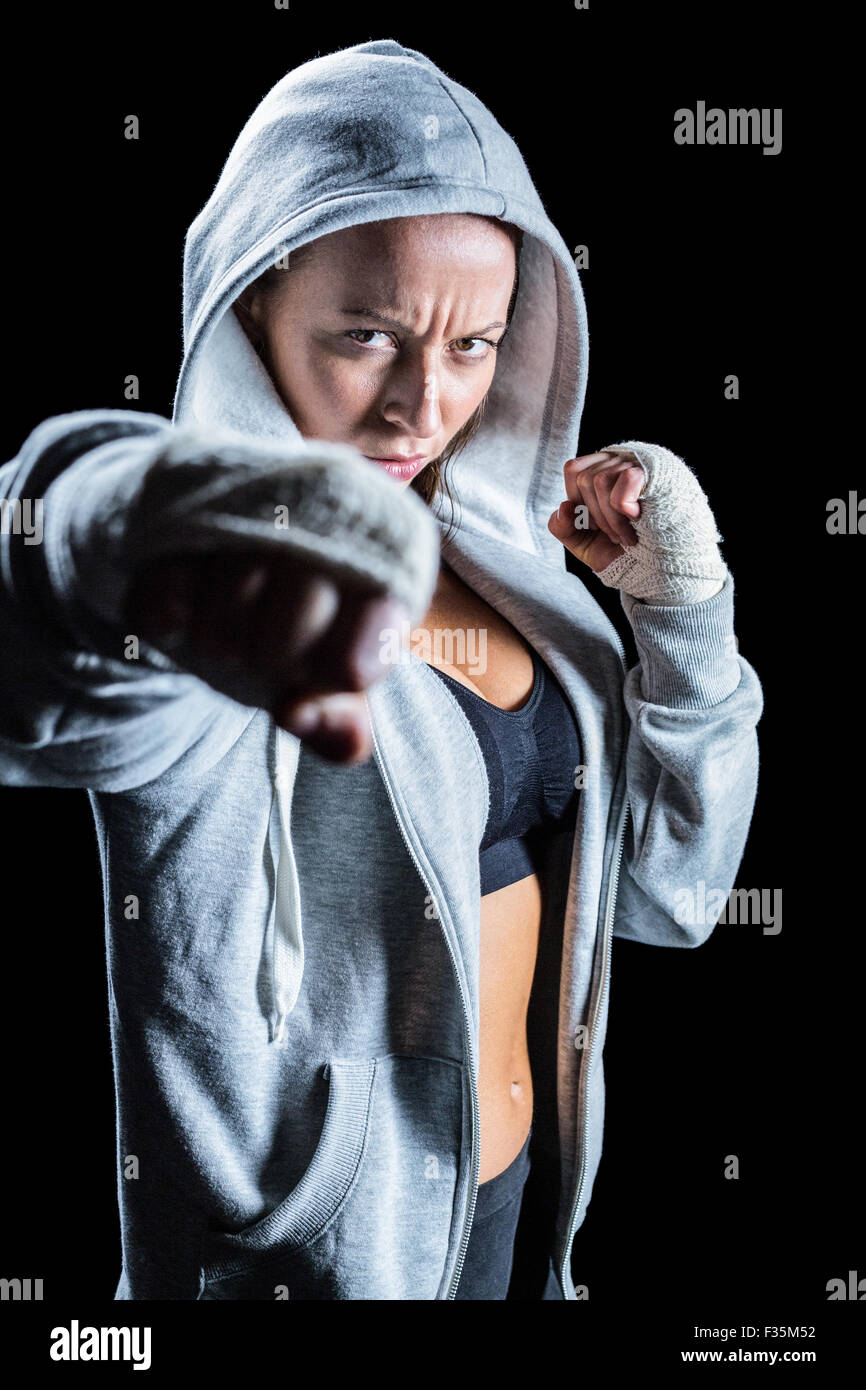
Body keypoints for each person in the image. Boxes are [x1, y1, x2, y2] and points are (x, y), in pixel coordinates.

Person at [0, 39, 763, 1300]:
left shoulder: (517, 573)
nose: (423, 402)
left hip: (524, 1218)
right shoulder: (224, 600)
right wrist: (110, 514)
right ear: (254, 302)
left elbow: (674, 895)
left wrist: (683, 618)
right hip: (325, 1260)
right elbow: (59, 641)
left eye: (473, 345)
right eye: (366, 333)